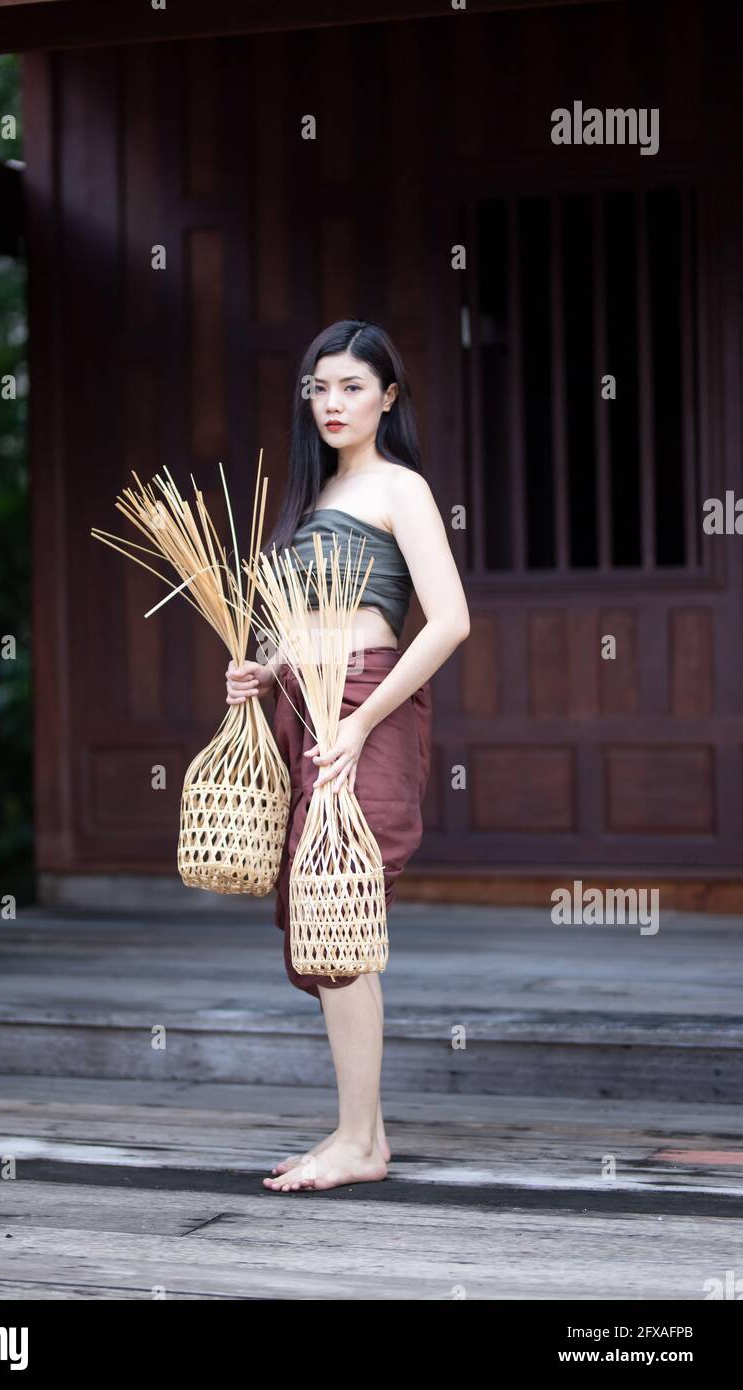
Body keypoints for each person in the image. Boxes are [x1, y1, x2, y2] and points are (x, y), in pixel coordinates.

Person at [225, 318, 470, 1193]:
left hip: (367, 706)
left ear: (387, 397)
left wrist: (363, 724)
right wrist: (258, 670)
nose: (333, 403)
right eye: (319, 388)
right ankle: (357, 1134)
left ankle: (361, 1139)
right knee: (322, 914)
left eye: (353, 387)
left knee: (343, 906)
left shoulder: (401, 488)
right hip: (302, 705)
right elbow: (290, 623)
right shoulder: (308, 501)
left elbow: (449, 620)